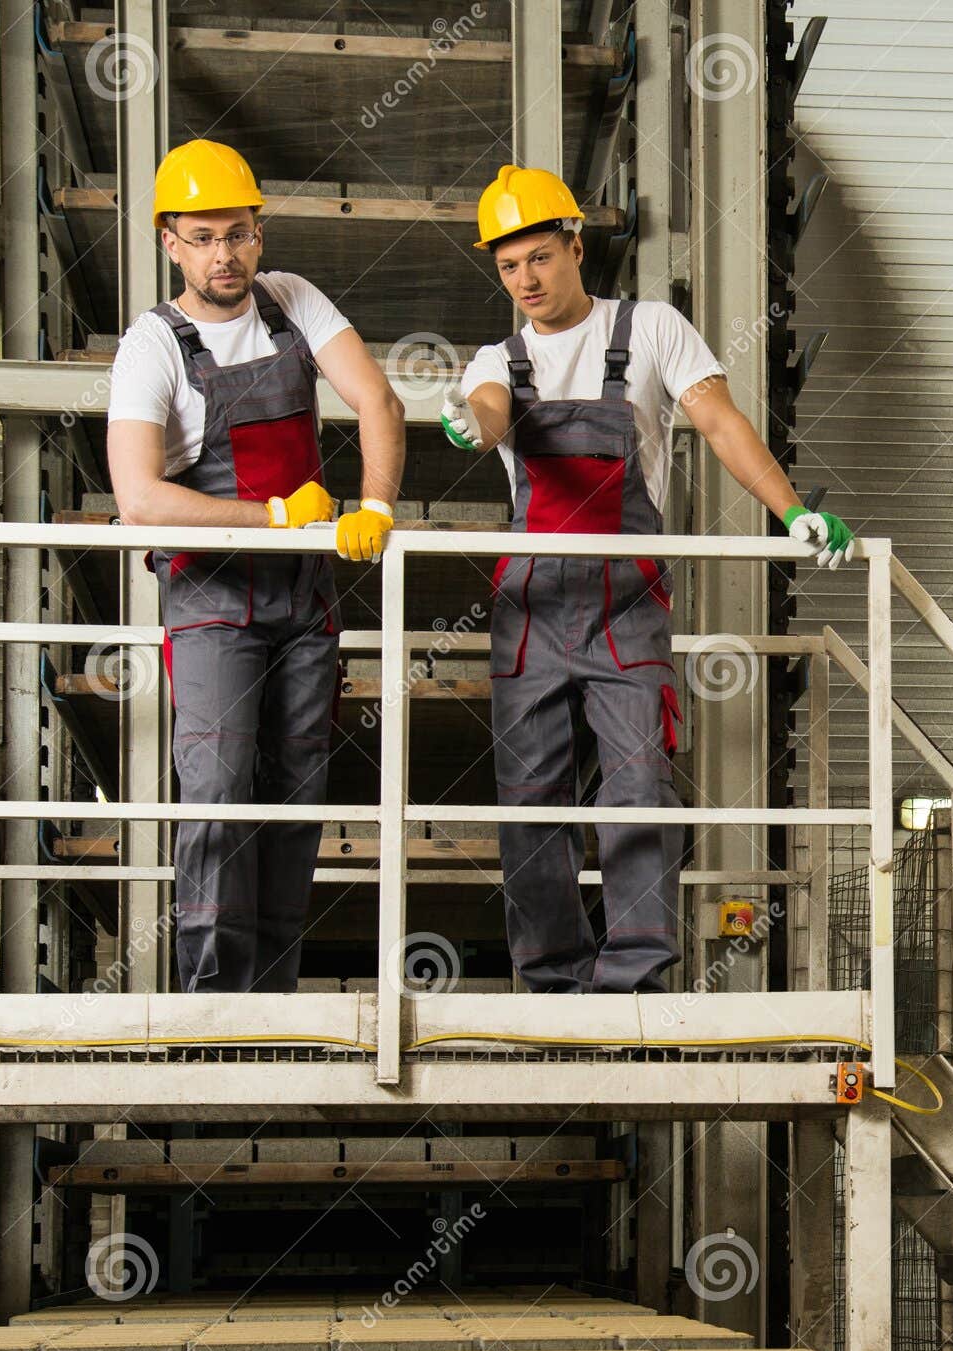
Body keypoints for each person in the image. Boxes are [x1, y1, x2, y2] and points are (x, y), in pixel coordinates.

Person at [440, 164, 854, 994]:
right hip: (530, 604)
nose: (525, 280)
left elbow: (722, 422)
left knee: (638, 782)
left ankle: (633, 979)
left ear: (573, 245)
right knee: (531, 799)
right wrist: (469, 420)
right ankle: (553, 983)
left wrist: (790, 512)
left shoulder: (651, 328)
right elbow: (487, 407)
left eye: (538, 260)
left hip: (625, 601)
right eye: (508, 267)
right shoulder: (499, 356)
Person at [107, 139, 405, 992]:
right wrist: (273, 517)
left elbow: (378, 401)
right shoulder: (151, 347)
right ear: (170, 241)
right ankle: (213, 1002)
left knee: (297, 793)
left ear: (259, 233)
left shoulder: (292, 303)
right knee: (217, 786)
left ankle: (272, 999)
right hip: (210, 601)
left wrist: (376, 505)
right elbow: (140, 498)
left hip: (305, 604)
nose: (223, 255)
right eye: (202, 238)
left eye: (237, 234)